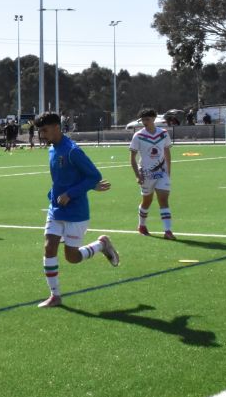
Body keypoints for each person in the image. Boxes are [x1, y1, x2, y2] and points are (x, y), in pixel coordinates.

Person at [35, 112, 118, 308]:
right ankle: (55, 296)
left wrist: (71, 193)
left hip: (76, 212)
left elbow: (94, 175)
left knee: (72, 258)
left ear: (56, 127)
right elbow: (61, 180)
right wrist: (54, 194)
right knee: (49, 247)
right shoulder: (52, 150)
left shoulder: (72, 151)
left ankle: (101, 245)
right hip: (55, 209)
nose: (42, 134)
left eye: (45, 130)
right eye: (40, 131)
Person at [129, 108, 175, 240]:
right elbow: (132, 158)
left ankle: (168, 231)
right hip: (146, 174)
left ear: (154, 119)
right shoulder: (138, 136)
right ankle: (142, 225)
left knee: (164, 200)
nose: (144, 122)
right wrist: (138, 175)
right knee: (147, 201)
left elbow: (167, 152)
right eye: (143, 120)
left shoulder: (164, 134)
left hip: (162, 173)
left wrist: (168, 171)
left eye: (147, 119)